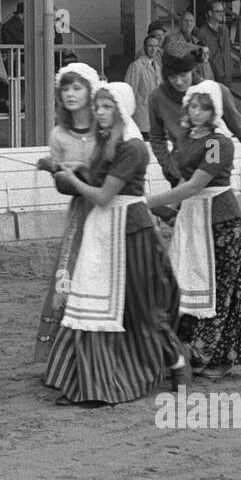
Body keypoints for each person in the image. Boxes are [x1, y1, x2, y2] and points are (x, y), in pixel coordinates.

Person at [46, 82, 188, 404]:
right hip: (103, 230)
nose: (99, 112)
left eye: (107, 107)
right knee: (94, 302)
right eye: (97, 106)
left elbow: (102, 195)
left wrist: (71, 179)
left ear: (122, 110)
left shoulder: (133, 148)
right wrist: (78, 168)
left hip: (132, 231)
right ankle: (90, 382)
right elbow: (99, 177)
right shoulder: (106, 141)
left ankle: (177, 361)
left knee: (143, 306)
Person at [147, 80, 241, 380]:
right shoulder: (185, 139)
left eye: (204, 108)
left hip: (220, 218)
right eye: (193, 106)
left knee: (221, 287)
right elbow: (184, 180)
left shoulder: (219, 144)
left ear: (214, 111)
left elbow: (196, 184)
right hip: (193, 216)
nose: (197, 112)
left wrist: (150, 201)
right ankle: (190, 350)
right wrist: (169, 208)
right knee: (190, 280)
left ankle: (217, 354)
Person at [149, 41, 241, 189]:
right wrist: (167, 166)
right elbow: (156, 136)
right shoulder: (157, 97)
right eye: (172, 77)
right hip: (179, 174)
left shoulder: (215, 91)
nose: (178, 81)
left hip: (215, 175)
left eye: (183, 75)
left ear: (193, 71)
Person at [32, 63, 101, 362]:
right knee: (71, 272)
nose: (71, 94)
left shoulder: (105, 127)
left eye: (77, 88)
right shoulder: (59, 134)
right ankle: (68, 350)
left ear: (90, 91)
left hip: (108, 208)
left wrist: (77, 171)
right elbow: (63, 188)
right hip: (81, 212)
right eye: (66, 89)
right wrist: (57, 171)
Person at [124, 32, 163, 131]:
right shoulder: (136, 66)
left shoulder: (157, 66)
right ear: (144, 47)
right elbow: (129, 94)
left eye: (156, 46)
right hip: (141, 118)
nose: (153, 49)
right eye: (150, 46)